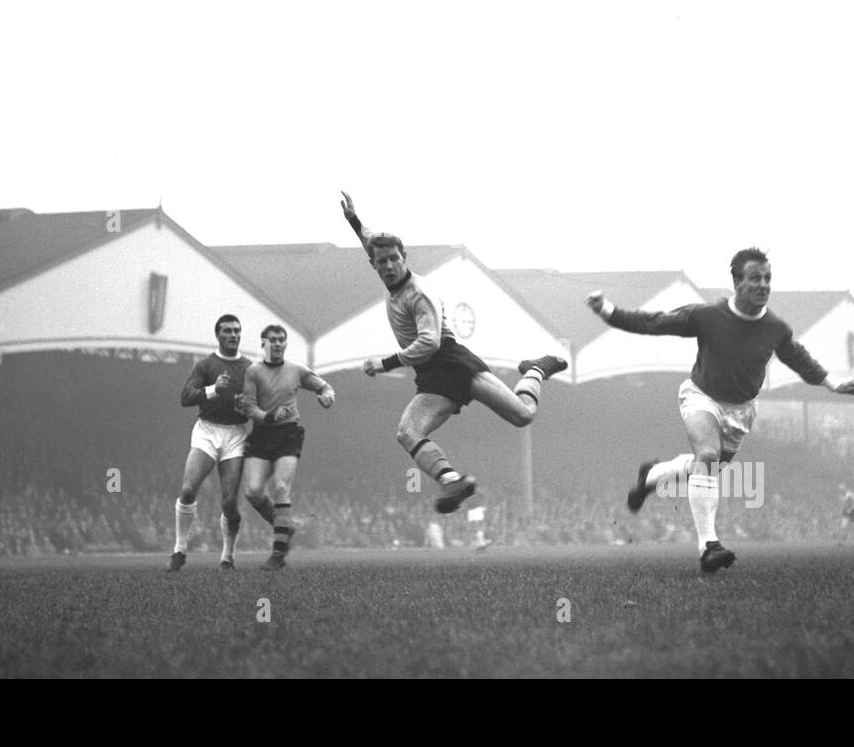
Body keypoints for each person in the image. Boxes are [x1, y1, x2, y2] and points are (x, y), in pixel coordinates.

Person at [587, 247, 854, 573]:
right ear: (736, 281)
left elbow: (798, 357)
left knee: (704, 467)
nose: (763, 285)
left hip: (741, 411)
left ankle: (653, 476)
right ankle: (709, 546)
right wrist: (607, 310)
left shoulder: (776, 328)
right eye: (755, 278)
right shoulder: (707, 317)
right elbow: (654, 323)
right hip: (701, 397)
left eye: (767, 278)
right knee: (707, 456)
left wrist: (831, 382)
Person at [340, 191, 567, 513]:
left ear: (405, 257)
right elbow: (370, 243)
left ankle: (536, 369)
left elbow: (430, 342)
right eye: (381, 261)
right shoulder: (384, 269)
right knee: (407, 432)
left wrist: (385, 363)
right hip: (431, 376)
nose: (389, 265)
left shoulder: (418, 293)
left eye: (394, 259)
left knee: (522, 415)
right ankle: (452, 481)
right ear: (373, 264)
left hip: (453, 363)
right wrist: (353, 220)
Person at [235, 324, 336, 570]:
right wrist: (270, 416)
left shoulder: (296, 370)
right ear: (263, 343)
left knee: (281, 487)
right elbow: (248, 407)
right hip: (261, 433)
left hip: (288, 434)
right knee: (253, 491)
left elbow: (324, 386)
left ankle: (278, 554)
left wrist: (327, 396)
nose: (278, 343)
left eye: (282, 339)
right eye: (273, 339)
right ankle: (286, 528)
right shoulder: (253, 372)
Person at [168, 314, 253, 572]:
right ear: (218, 335)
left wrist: (248, 407)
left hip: (235, 434)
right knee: (187, 490)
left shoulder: (250, 368)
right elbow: (185, 397)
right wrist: (212, 390)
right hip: (206, 431)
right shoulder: (205, 365)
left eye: (237, 331)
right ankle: (179, 549)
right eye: (227, 331)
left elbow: (258, 404)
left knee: (229, 502)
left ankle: (228, 557)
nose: (233, 335)